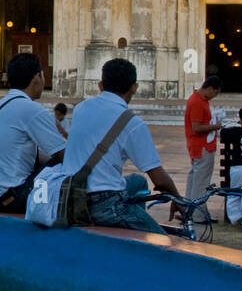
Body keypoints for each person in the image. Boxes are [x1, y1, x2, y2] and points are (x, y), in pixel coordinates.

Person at [60, 58, 181, 234]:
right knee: (160, 239)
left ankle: (132, 231)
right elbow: (159, 179)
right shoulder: (132, 123)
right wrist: (177, 198)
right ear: (134, 87)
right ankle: (136, 236)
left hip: (72, 193)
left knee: (138, 182)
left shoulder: (81, 108)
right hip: (104, 202)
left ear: (100, 85)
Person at [0, 54, 65, 214]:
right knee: (65, 164)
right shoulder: (33, 110)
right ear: (37, 77)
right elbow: (64, 156)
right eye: (43, 75)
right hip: (9, 200)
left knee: (48, 159)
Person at [184, 75, 223, 205]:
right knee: (201, 181)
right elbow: (197, 127)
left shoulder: (199, 100)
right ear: (211, 89)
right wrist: (215, 127)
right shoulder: (197, 102)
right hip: (202, 146)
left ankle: (189, 208)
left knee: (195, 179)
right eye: (215, 93)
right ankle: (197, 214)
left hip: (200, 146)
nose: (215, 96)